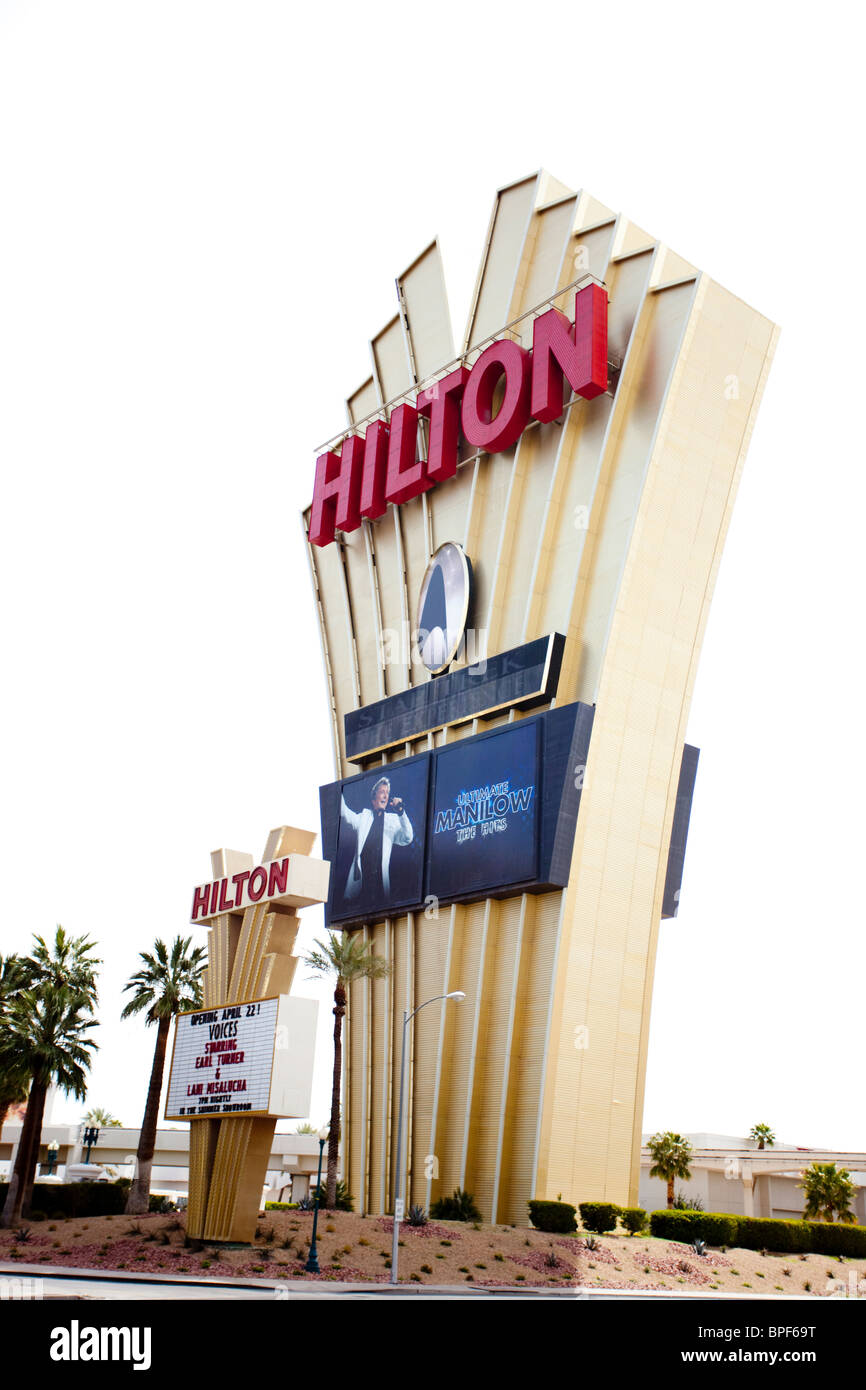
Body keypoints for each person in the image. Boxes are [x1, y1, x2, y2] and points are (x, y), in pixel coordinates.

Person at [340, 776, 413, 909]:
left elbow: (408, 837)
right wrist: (336, 790)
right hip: (361, 890)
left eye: (387, 793)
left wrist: (401, 813)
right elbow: (345, 814)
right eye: (382, 792)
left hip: (380, 892)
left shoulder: (393, 820)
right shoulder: (363, 818)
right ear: (374, 799)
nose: (385, 795)